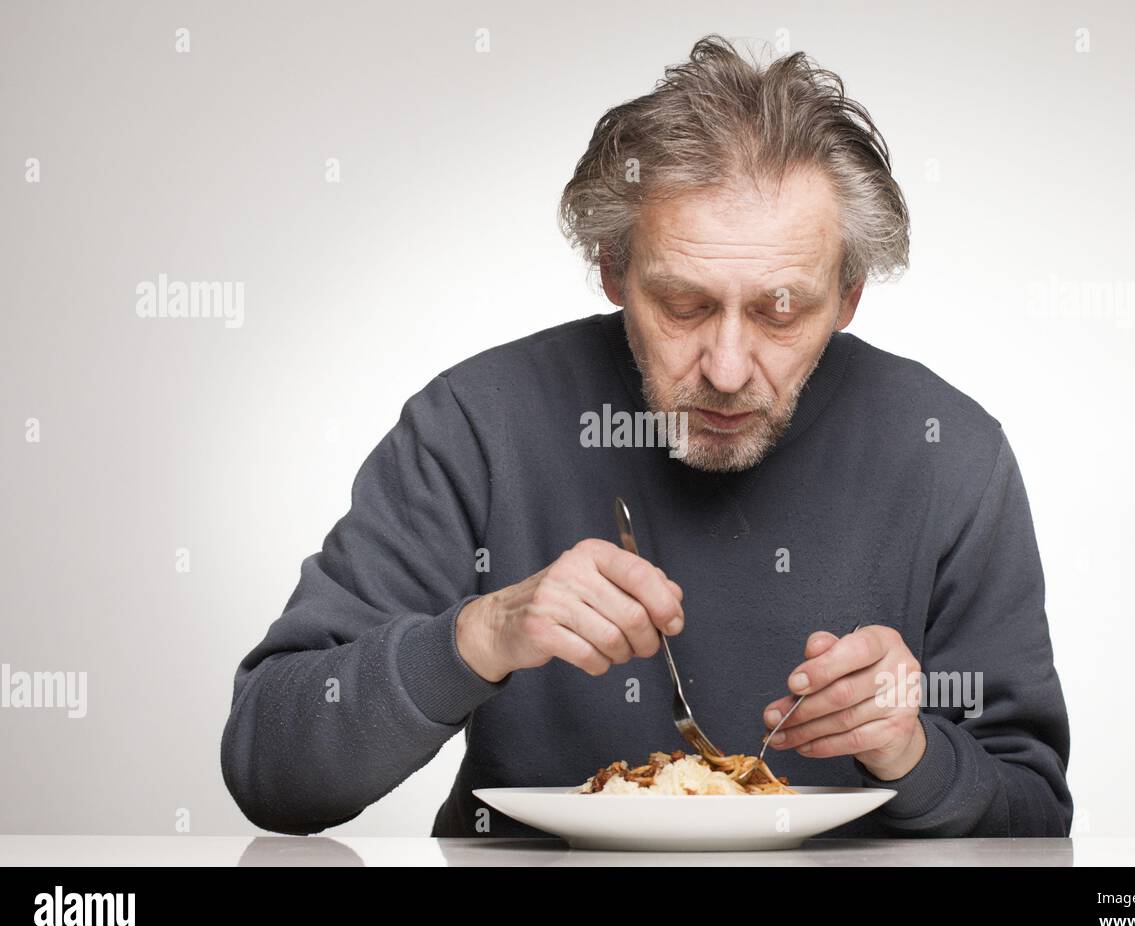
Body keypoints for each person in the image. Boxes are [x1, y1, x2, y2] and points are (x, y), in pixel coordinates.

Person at [221, 34, 1072, 838]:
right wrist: (481, 635)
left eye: (781, 310)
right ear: (613, 271)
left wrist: (910, 751)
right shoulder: (478, 425)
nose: (730, 368)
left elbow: (1037, 824)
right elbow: (271, 770)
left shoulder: (949, 452)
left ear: (848, 297)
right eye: (684, 304)